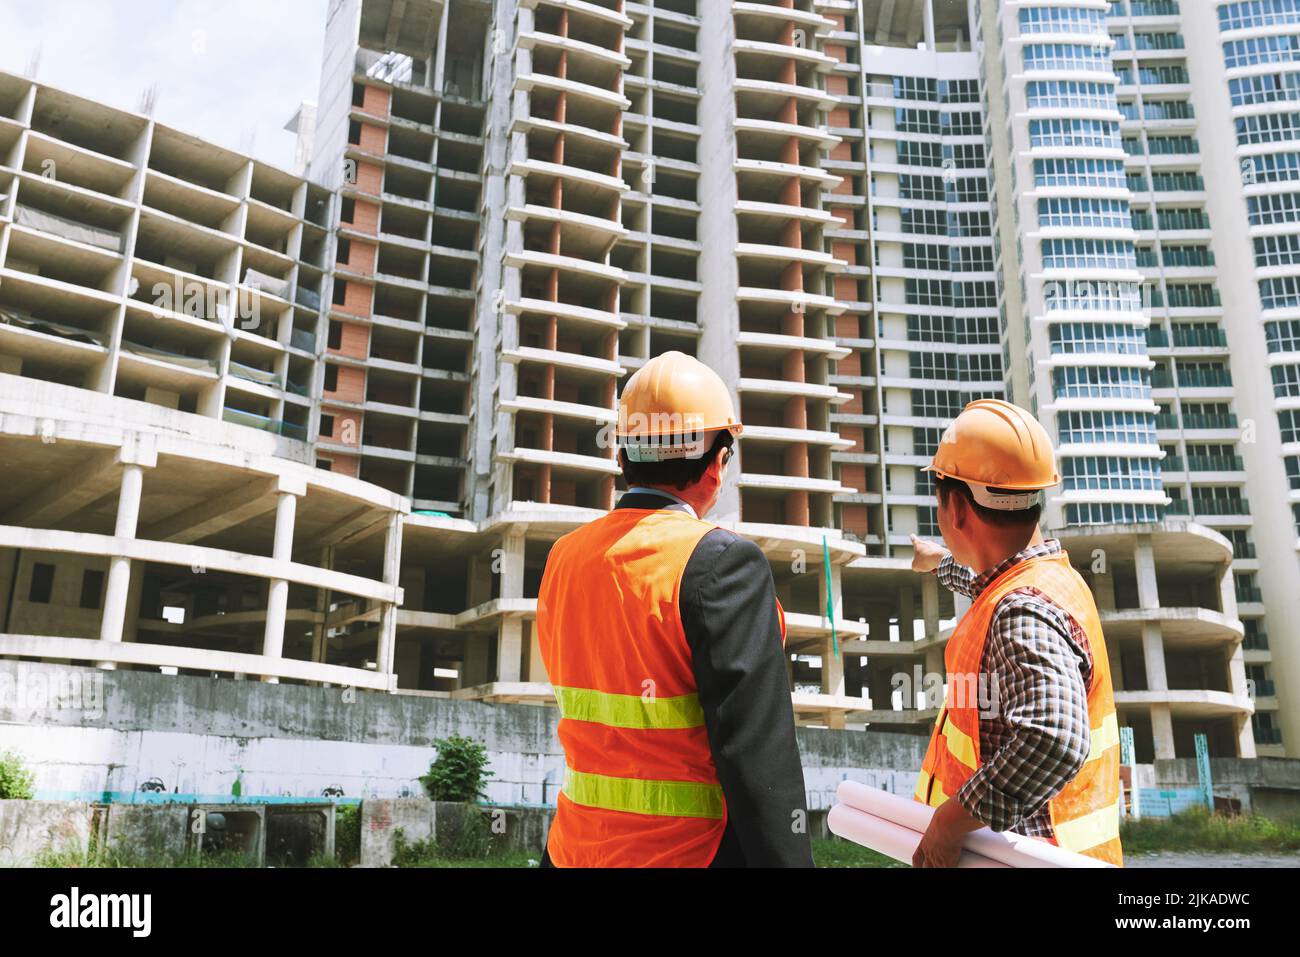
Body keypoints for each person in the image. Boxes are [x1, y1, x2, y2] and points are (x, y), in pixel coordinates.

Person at [535, 351, 813, 867]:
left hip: (574, 850)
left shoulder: (563, 558)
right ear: (716, 465)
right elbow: (757, 760)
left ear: (622, 457)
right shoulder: (722, 563)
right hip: (685, 855)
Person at [907, 398, 1123, 867]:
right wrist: (935, 562)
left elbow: (1054, 739)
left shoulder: (1020, 611)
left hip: (1026, 858)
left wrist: (950, 821)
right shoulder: (1045, 578)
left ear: (957, 510)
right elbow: (983, 579)